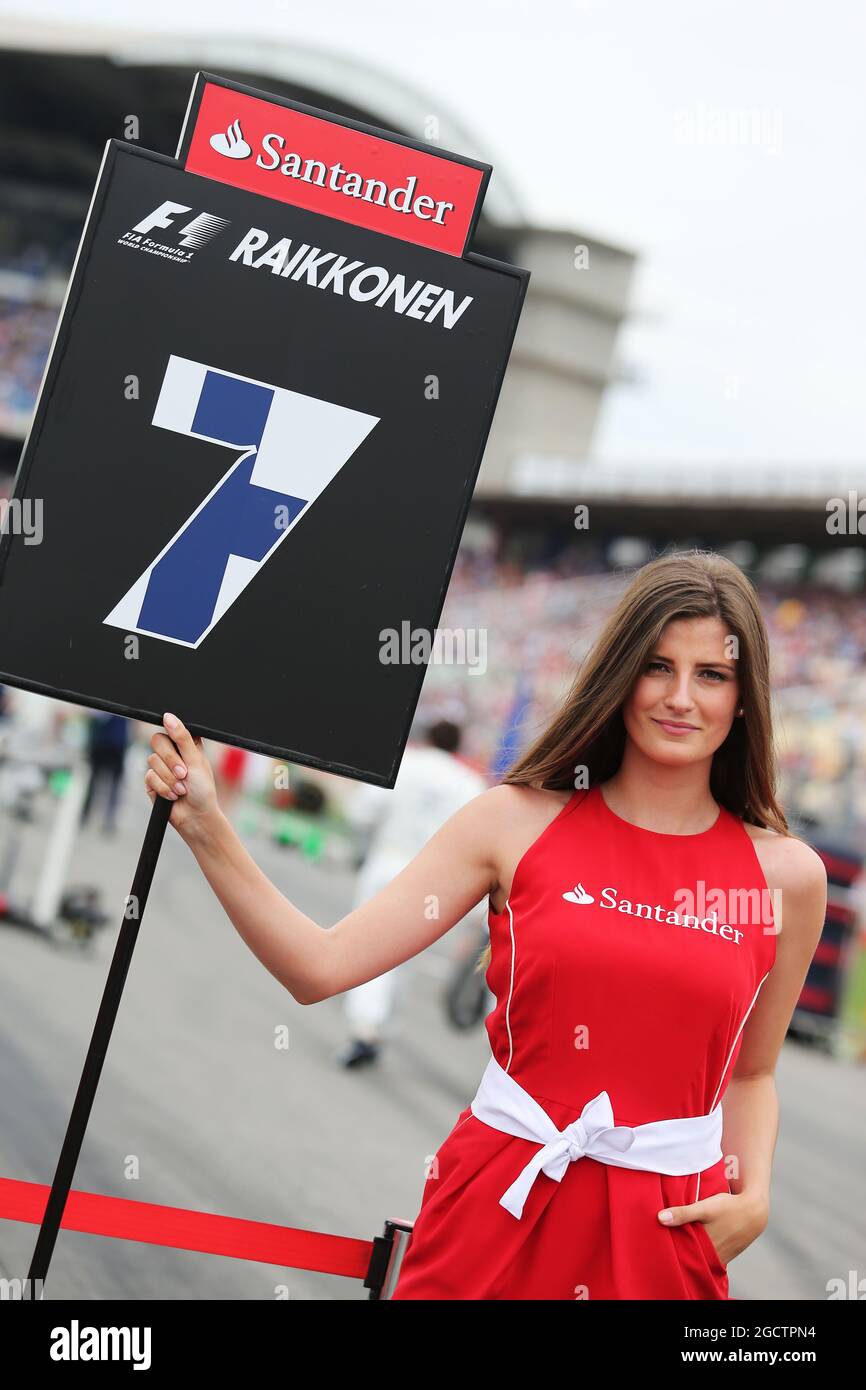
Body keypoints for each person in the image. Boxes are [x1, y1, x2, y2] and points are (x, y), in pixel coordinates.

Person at [141, 550, 827, 1300]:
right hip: (498, 1202)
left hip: (668, 1234)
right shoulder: (513, 823)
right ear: (621, 674)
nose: (681, 698)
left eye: (712, 675)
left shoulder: (786, 878)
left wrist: (754, 1190)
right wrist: (207, 826)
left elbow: (754, 1073)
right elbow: (321, 966)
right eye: (658, 666)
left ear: (742, 697)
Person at [338, 720, 487, 1068]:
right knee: (404, 954)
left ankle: (366, 1026)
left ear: (429, 738)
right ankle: (381, 1024)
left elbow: (362, 811)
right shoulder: (468, 783)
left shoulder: (406, 763)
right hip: (433, 880)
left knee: (368, 949)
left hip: (390, 862)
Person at [80, 711, 131, 834]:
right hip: (105, 743)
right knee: (96, 783)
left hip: (113, 744)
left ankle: (107, 818)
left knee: (111, 786)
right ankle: (88, 814)